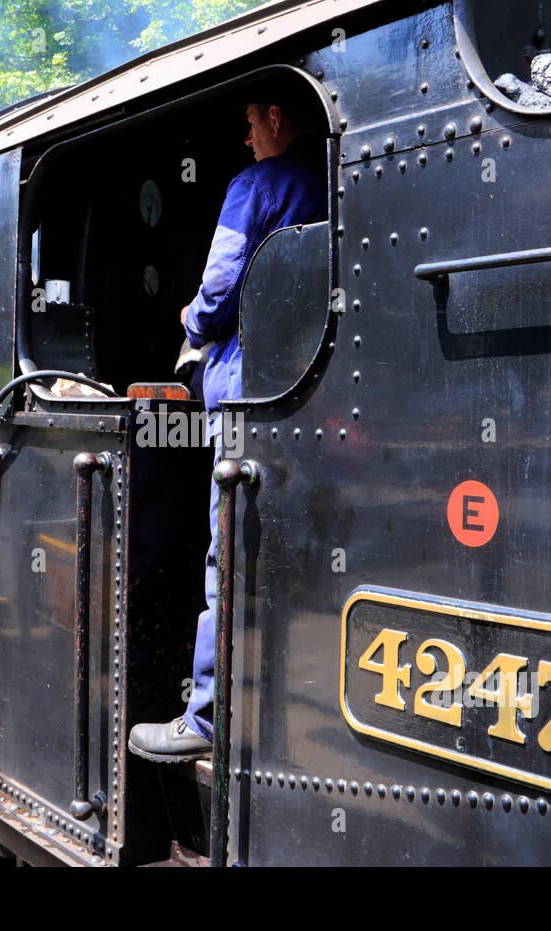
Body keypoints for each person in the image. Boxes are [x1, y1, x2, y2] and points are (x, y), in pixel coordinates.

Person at [128, 85, 325, 762]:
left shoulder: (259, 182)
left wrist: (191, 320)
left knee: (228, 549)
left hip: (246, 395)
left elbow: (217, 291)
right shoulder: (332, 178)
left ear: (275, 115)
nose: (246, 138)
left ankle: (208, 715)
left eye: (250, 122)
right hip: (313, 393)